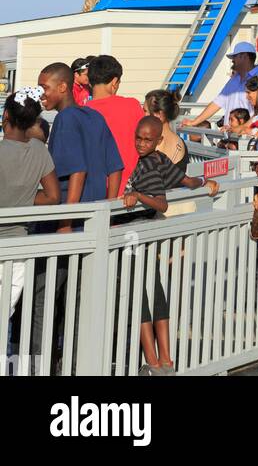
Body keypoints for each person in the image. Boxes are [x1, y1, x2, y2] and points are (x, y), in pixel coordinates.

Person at [120, 116, 220, 375]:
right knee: (155, 293)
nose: (141, 144)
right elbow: (186, 181)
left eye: (147, 140)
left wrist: (138, 195)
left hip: (136, 237)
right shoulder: (161, 159)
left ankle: (152, 363)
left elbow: (161, 204)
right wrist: (206, 184)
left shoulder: (147, 166)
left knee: (139, 297)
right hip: (149, 237)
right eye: (138, 138)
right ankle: (167, 362)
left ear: (159, 140)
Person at [0, 89, 61, 312]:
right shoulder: (39, 150)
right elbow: (53, 196)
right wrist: (24, 198)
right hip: (19, 248)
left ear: (6, 115)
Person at [39, 63, 123, 222]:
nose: (41, 94)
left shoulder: (65, 118)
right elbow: (115, 167)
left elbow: (78, 170)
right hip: (96, 216)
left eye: (44, 88)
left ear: (62, 87)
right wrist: (109, 213)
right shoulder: (95, 116)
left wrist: (66, 223)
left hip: (72, 216)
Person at [182, 41, 258, 132]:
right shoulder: (234, 79)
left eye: (234, 56)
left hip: (248, 139)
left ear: (245, 56)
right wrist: (194, 122)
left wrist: (239, 130)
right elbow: (217, 102)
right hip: (233, 135)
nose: (232, 60)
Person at [86, 54, 145, 194]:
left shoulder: (83, 113)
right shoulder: (133, 105)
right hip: (132, 191)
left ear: (89, 82)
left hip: (95, 193)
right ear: (114, 82)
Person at [143, 89, 188, 169]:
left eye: (145, 111)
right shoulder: (180, 143)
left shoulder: (150, 143)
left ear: (159, 115)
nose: (142, 114)